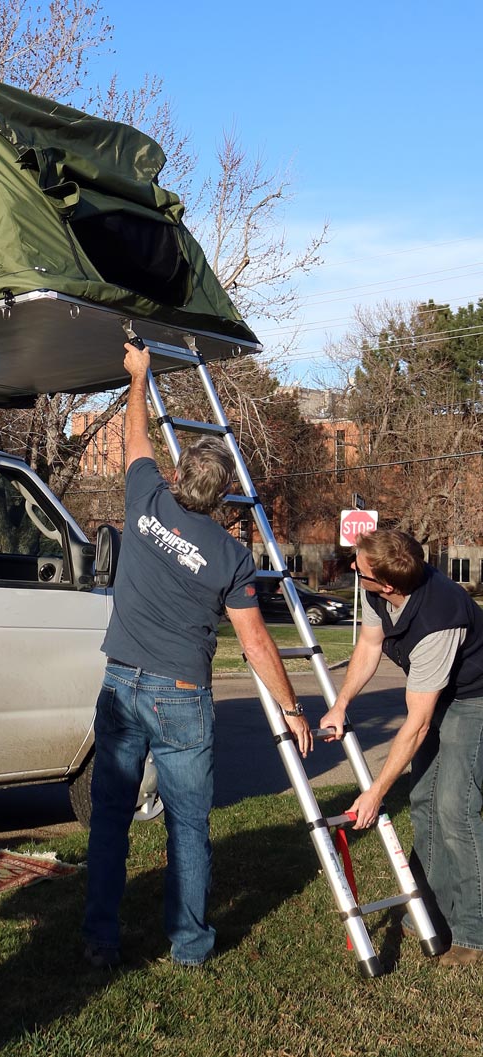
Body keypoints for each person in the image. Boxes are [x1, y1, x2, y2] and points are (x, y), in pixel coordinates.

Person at [82, 340, 312, 969]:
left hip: (121, 683)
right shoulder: (232, 556)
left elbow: (135, 439)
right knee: (187, 824)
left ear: (179, 478)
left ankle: (100, 939)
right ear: (223, 499)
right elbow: (256, 641)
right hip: (181, 695)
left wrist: (138, 378)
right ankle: (188, 946)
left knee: (110, 818)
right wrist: (291, 708)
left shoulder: (146, 499)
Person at [319, 528, 483, 966]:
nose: (353, 568)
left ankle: (472, 929)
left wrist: (375, 792)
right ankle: (425, 910)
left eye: (361, 568)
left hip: (473, 699)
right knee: (424, 800)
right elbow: (370, 646)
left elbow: (417, 724)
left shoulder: (438, 617)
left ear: (387, 583)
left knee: (455, 807)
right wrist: (340, 704)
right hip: (438, 695)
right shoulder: (378, 594)